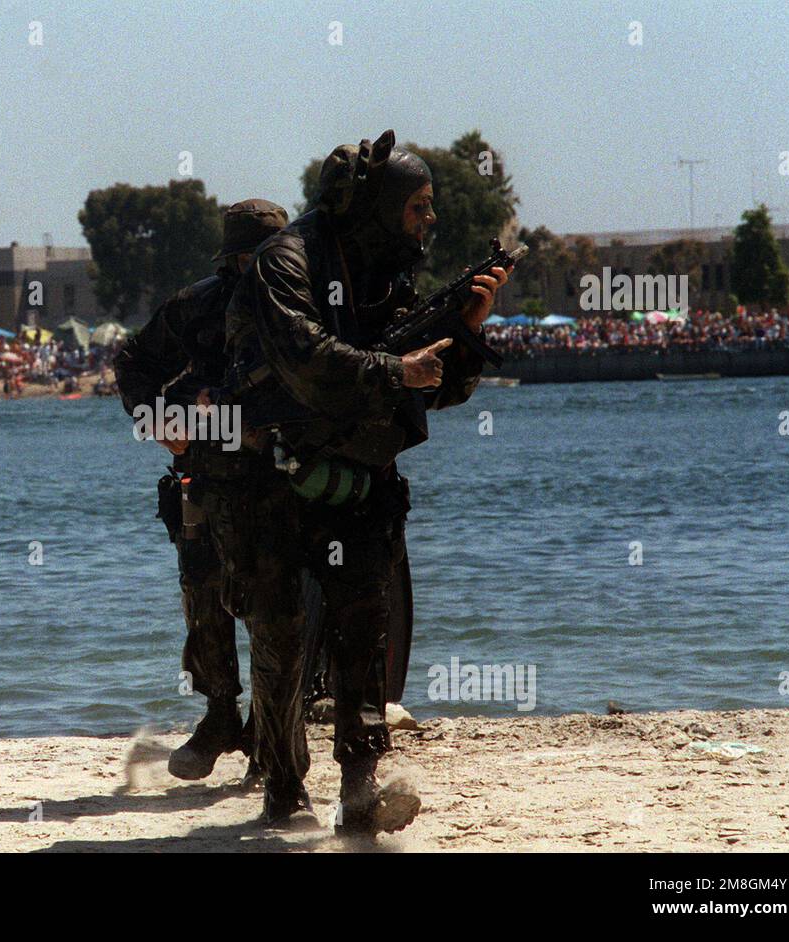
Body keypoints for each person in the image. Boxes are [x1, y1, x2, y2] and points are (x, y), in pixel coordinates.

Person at [223, 131, 512, 828]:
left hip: (359, 480)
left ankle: (359, 789)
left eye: (430, 209)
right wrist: (394, 370)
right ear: (375, 206)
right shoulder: (282, 263)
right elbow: (307, 360)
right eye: (418, 208)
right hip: (274, 476)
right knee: (281, 637)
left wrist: (463, 334)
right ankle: (285, 783)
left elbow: (434, 390)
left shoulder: (384, 273)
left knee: (364, 626)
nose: (428, 221)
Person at [114, 199, 289, 781]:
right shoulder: (198, 304)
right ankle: (220, 712)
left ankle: (271, 734)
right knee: (203, 591)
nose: (265, 268)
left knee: (272, 608)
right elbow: (134, 362)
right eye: (254, 257)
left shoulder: (299, 300)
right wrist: (159, 425)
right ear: (233, 259)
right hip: (207, 474)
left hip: (280, 476)